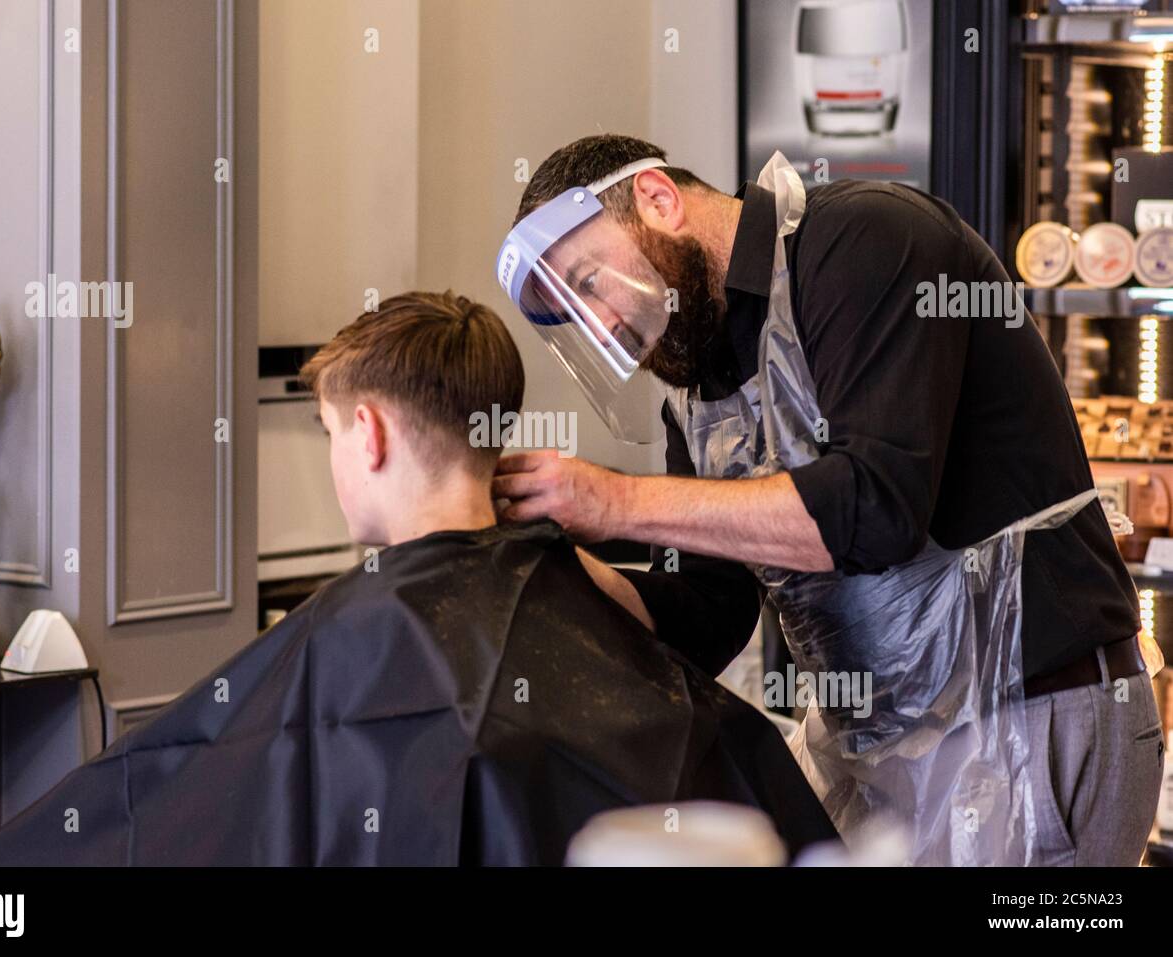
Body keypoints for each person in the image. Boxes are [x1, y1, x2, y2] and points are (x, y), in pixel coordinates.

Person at [0, 290, 837, 866]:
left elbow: (153, 804)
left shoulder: (347, 636)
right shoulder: (580, 596)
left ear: (370, 433)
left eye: (331, 432)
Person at [491, 134, 1164, 866]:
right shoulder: (696, 396)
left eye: (588, 283)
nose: (602, 327)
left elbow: (877, 509)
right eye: (573, 316)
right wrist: (554, 561)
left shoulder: (867, 240)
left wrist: (613, 502)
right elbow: (709, 612)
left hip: (1032, 722)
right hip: (881, 751)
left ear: (658, 199)